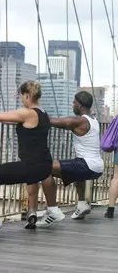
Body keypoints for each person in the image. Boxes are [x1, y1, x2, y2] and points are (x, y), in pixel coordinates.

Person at [0, 81, 53, 239]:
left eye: (21, 96)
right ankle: (32, 211)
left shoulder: (27, 112)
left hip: (33, 166)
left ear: (26, 95)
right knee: (30, 178)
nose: (21, 99)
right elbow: (9, 120)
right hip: (44, 165)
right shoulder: (43, 114)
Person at [36, 91, 104, 227]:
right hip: (97, 166)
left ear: (79, 105)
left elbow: (54, 122)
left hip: (87, 165)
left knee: (44, 169)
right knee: (76, 168)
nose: (72, 104)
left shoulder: (80, 121)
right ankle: (82, 204)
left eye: (74, 102)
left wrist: (35, 111)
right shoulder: (94, 120)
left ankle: (53, 210)